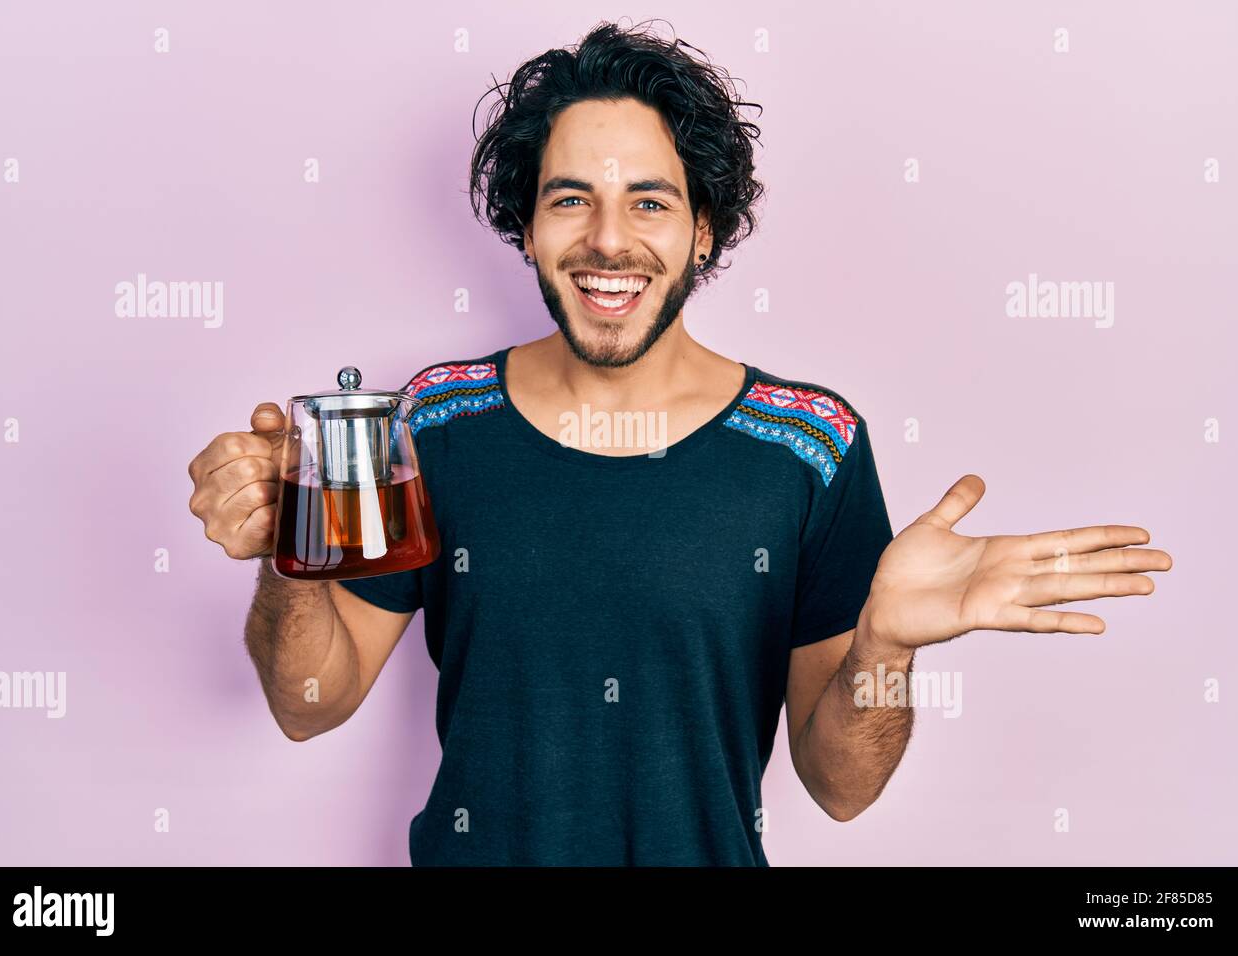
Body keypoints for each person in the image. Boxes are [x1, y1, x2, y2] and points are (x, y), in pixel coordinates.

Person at [186, 20, 1172, 866]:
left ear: (704, 230)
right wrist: (290, 552)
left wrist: (883, 647)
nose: (606, 240)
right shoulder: (432, 423)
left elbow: (841, 787)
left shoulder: (808, 448)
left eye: (649, 201)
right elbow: (308, 701)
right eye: (569, 198)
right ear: (525, 227)